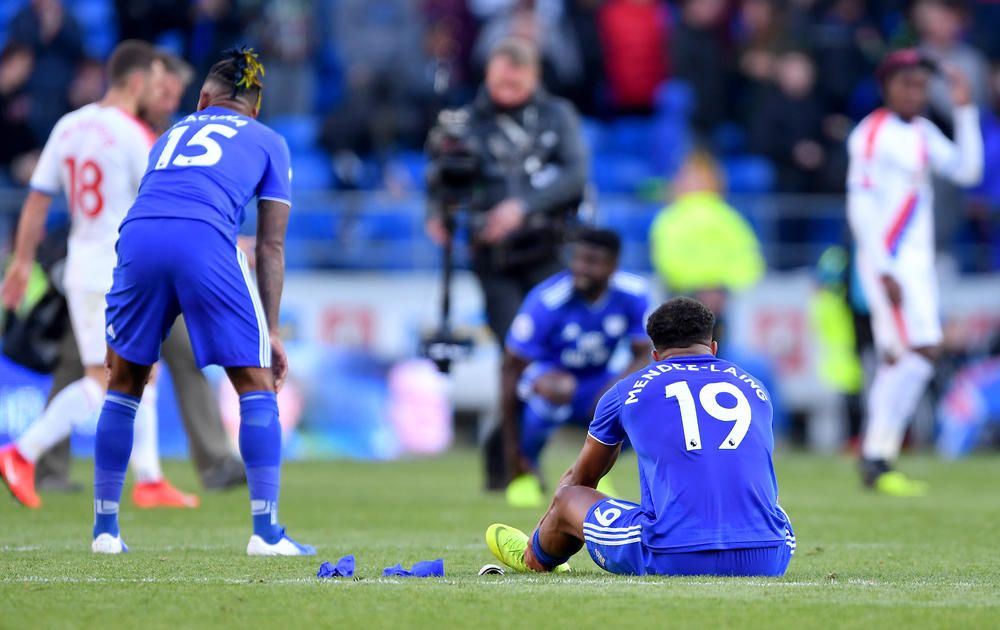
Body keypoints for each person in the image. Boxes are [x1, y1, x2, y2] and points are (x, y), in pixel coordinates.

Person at [88, 47, 312, 556]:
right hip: (206, 238)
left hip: (138, 236)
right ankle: (267, 533)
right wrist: (271, 331)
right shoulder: (268, 140)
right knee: (255, 383)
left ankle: (104, 531)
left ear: (203, 98)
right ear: (254, 107)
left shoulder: (168, 135)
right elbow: (271, 246)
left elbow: (157, 198)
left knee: (122, 382)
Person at [32, 49, 246, 496]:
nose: (168, 101)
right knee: (93, 368)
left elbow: (45, 193)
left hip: (123, 266)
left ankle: (192, 467)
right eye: (162, 91)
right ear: (142, 83)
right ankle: (35, 460)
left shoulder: (101, 127)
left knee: (173, 357)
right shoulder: (132, 134)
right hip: (123, 266)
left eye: (172, 95)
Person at [0, 40, 197, 510]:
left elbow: (38, 199)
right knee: (102, 379)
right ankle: (21, 453)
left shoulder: (70, 126)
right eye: (154, 82)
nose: (158, 90)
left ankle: (149, 479)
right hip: (111, 269)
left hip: (87, 262)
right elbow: (166, 203)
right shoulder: (134, 136)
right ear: (135, 82)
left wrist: (22, 262)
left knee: (142, 369)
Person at [485, 297, 795, 577]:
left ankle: (535, 555)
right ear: (713, 348)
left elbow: (582, 479)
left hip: (676, 555)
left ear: (656, 355)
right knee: (769, 506)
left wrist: (551, 522)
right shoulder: (754, 387)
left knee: (569, 498)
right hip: (769, 554)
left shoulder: (626, 390)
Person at [425, 36, 587, 491]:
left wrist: (522, 207)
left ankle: (516, 458)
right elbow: (439, 179)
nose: (508, 91)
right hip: (493, 259)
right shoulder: (462, 122)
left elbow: (575, 177)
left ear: (534, 77)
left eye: (517, 83)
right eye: (501, 82)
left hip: (549, 251)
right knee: (517, 356)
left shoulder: (557, 115)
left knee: (555, 358)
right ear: (488, 75)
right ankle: (512, 466)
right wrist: (436, 215)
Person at [847, 49, 982, 496]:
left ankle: (877, 454)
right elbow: (860, 205)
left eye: (921, 85)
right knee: (916, 351)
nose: (913, 92)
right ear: (887, 87)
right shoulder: (871, 134)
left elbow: (967, 170)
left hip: (916, 264)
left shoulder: (923, 132)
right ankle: (876, 455)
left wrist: (964, 109)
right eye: (905, 83)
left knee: (910, 357)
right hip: (889, 261)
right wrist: (883, 268)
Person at [501, 229, 650, 508]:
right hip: (549, 378)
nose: (581, 269)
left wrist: (613, 389)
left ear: (613, 267)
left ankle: (592, 473)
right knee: (558, 389)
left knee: (639, 402)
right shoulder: (547, 300)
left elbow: (644, 355)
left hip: (597, 380)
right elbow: (510, 369)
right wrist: (512, 455)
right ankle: (526, 471)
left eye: (592, 262)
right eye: (578, 259)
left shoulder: (633, 293)